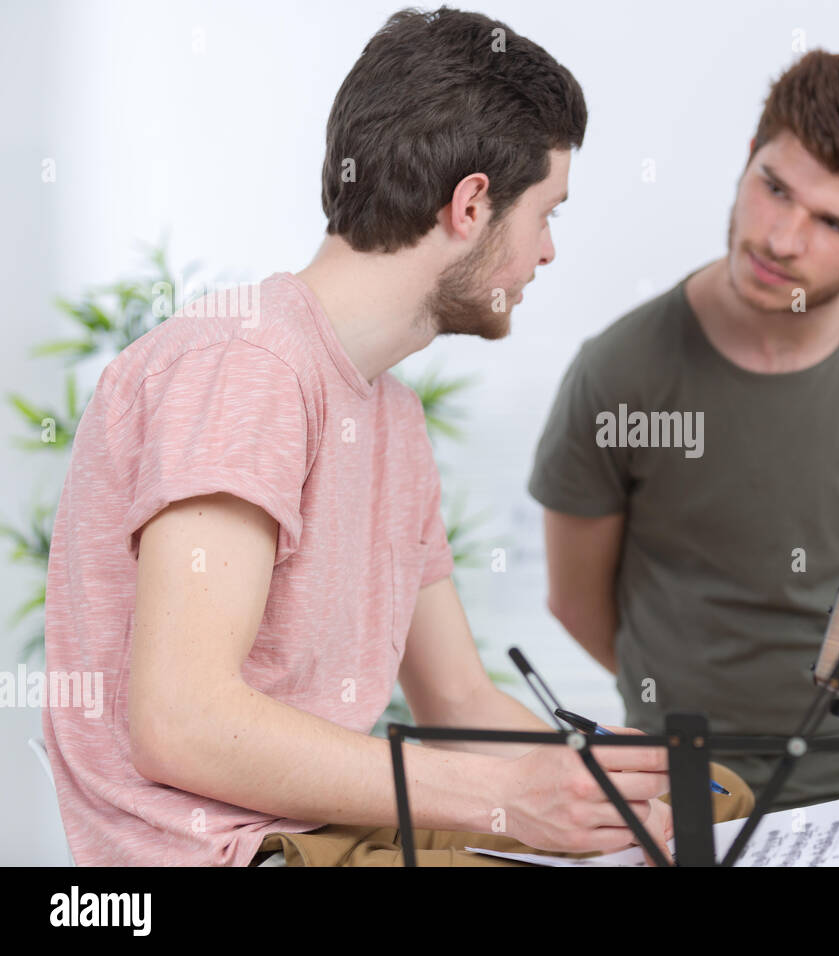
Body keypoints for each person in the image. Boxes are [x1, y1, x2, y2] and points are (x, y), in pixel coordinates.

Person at [41, 5, 752, 869]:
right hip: (235, 856)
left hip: (334, 835)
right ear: (472, 204)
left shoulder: (392, 420)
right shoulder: (248, 363)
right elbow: (182, 722)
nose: (550, 252)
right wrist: (504, 801)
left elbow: (455, 695)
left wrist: (602, 781)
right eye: (548, 213)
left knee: (718, 806)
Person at [528, 49, 839, 865]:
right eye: (773, 186)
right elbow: (577, 601)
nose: (782, 238)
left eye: (836, 223)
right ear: (748, 156)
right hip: (691, 797)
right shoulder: (618, 371)